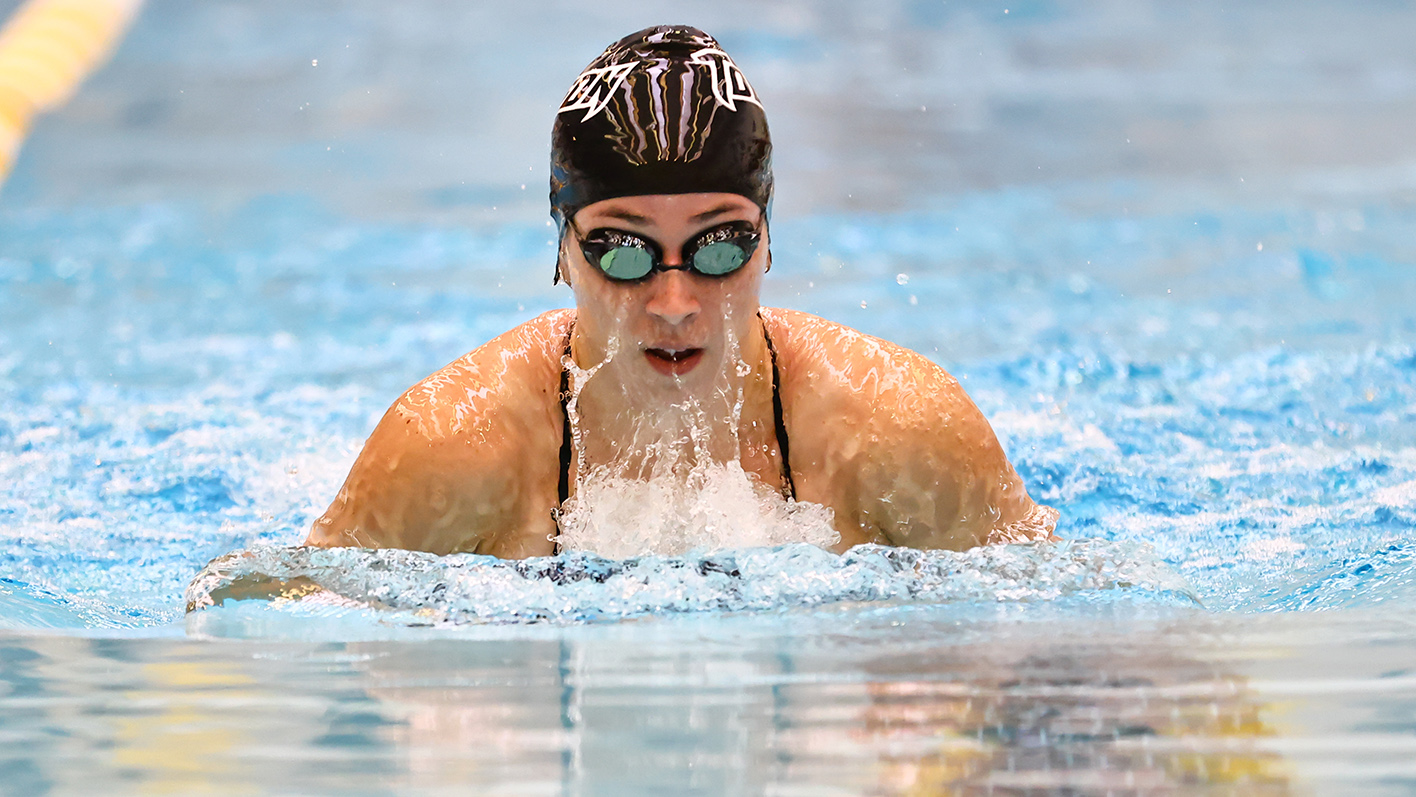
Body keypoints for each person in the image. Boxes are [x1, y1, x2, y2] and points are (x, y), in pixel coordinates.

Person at [305, 25, 1057, 559]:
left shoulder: (897, 431)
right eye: (625, 253)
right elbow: (280, 620)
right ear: (563, 249)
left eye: (718, 247)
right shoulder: (453, 447)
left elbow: (1056, 640)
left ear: (766, 238)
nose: (673, 303)